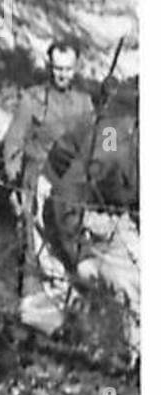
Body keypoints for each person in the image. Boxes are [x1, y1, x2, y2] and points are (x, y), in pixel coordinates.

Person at [41, 75, 138, 361]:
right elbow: (68, 190)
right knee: (61, 278)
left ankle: (138, 356)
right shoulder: (112, 139)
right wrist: (79, 253)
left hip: (110, 210)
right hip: (64, 198)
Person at [0, 42, 93, 330]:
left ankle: (71, 320)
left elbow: (94, 145)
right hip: (36, 181)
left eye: (68, 69)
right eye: (57, 68)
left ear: (76, 68)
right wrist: (15, 182)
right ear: (48, 66)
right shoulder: (33, 99)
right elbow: (13, 142)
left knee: (69, 247)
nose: (62, 74)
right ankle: (33, 323)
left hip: (72, 189)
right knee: (34, 249)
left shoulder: (84, 103)